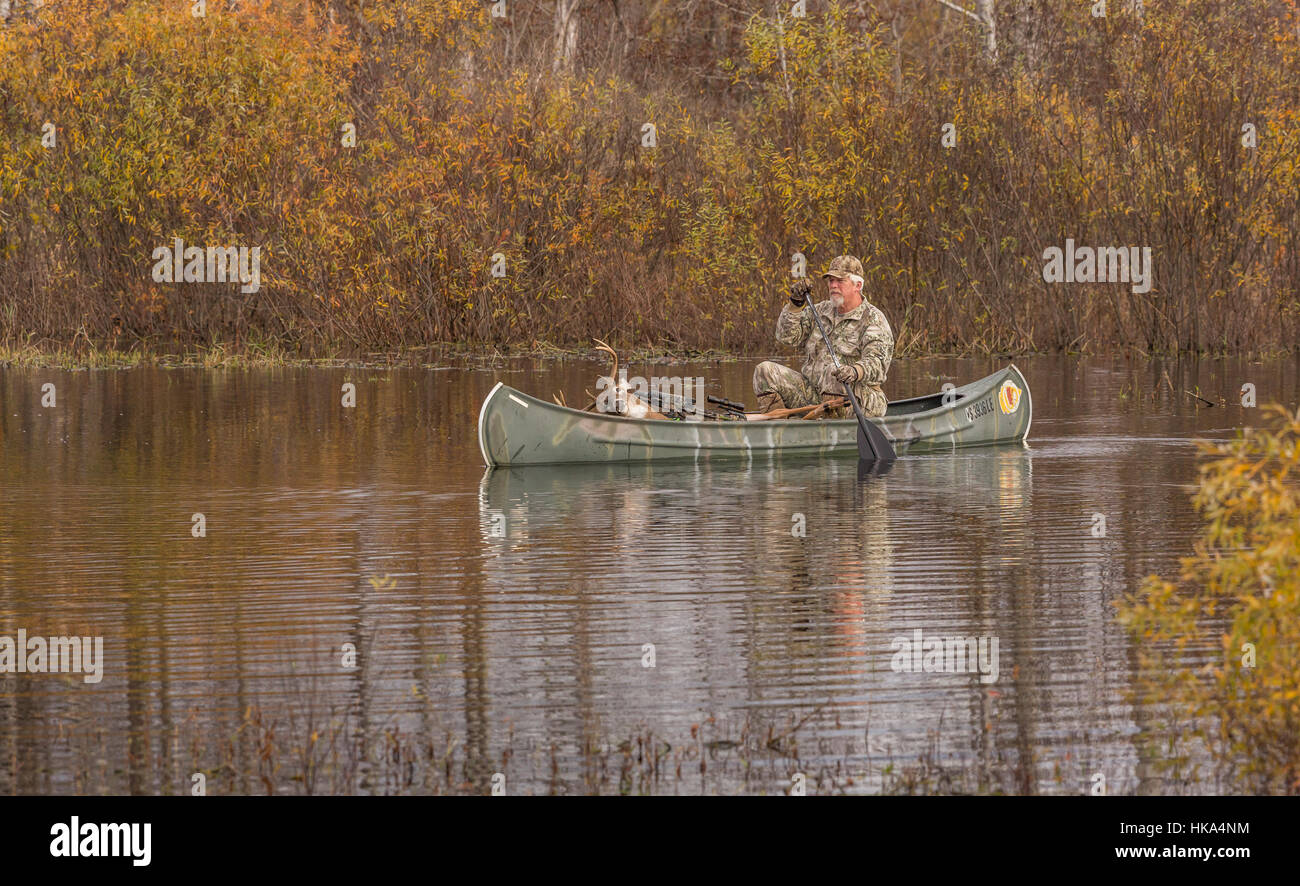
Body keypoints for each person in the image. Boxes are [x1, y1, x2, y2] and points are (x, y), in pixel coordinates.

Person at [752, 255, 893, 418]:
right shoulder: (820, 311)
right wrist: (795, 304)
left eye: (840, 281)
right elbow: (786, 337)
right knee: (765, 371)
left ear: (858, 285)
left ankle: (830, 433)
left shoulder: (873, 319)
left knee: (834, 372)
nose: (833, 285)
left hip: (859, 402)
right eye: (831, 281)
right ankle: (778, 430)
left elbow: (878, 363)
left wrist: (855, 371)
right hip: (815, 395)